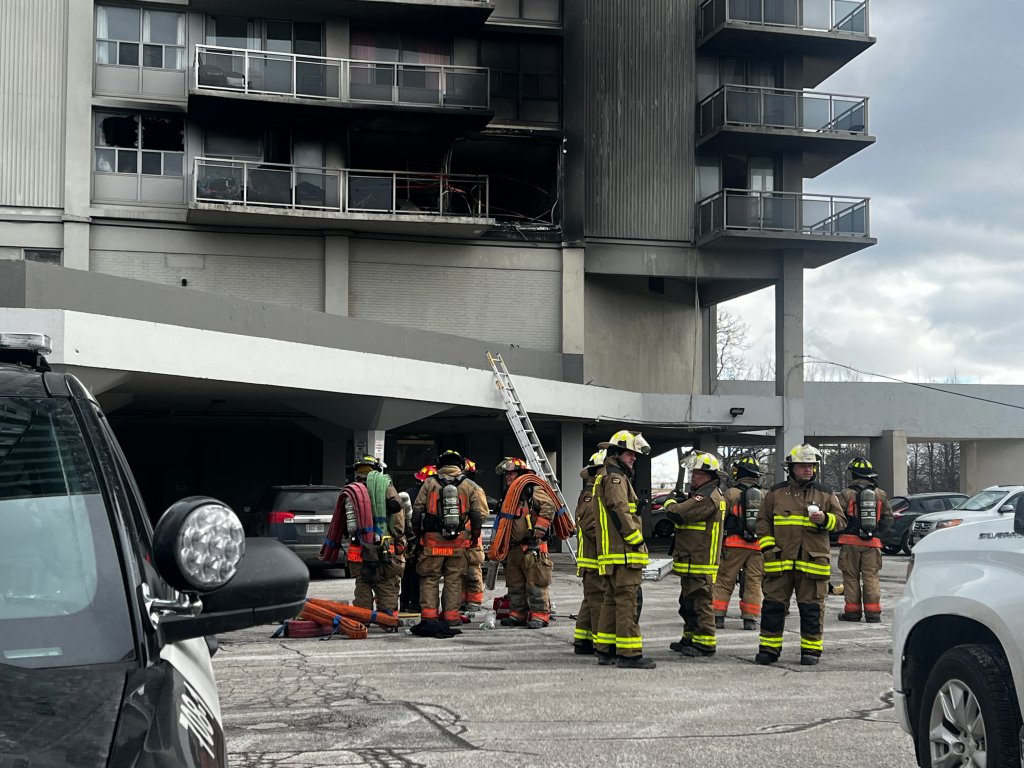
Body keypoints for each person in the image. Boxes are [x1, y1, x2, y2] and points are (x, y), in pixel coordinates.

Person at [755, 443, 846, 666]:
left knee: (811, 609)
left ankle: (811, 650)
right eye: (803, 465)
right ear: (792, 468)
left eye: (811, 466)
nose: (808, 469)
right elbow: (762, 522)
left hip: (812, 564)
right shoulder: (776, 493)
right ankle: (768, 649)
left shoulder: (826, 493)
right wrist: (768, 548)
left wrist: (825, 519)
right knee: (773, 607)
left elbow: (842, 522)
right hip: (779, 562)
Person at [592, 430, 656, 669]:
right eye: (630, 454)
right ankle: (629, 654)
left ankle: (606, 650)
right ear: (618, 453)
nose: (634, 458)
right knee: (628, 602)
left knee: (611, 601)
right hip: (625, 552)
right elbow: (619, 510)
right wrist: (636, 540)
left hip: (613, 553)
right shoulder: (616, 478)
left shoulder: (607, 475)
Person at [411, 450, 485, 637]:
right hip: (458, 543)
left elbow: (417, 510)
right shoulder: (469, 485)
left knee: (430, 579)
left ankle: (429, 617)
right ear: (459, 466)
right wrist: (474, 536)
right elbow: (477, 514)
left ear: (440, 465)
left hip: (432, 542)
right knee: (454, 580)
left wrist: (417, 533)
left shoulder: (429, 483)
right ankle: (451, 617)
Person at [663, 451, 726, 657]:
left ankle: (705, 643)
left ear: (709, 476)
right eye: (692, 473)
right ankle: (690, 637)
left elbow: (679, 513)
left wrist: (670, 503)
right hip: (692, 558)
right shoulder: (702, 494)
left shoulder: (707, 497)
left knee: (700, 602)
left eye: (697, 474)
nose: (693, 477)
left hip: (700, 560)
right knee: (688, 603)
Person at [496, 456, 556, 628]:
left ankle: (540, 615)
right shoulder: (510, 494)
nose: (508, 476)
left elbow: (548, 506)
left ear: (522, 473)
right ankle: (517, 614)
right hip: (514, 548)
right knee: (515, 584)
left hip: (533, 547)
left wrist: (540, 529)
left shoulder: (532, 489)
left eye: (511, 473)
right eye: (506, 474)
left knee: (536, 583)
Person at [347, 456, 405, 621]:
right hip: (383, 545)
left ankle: (362, 620)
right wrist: (399, 535)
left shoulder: (351, 491)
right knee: (386, 582)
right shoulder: (385, 486)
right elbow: (397, 511)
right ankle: (387, 620)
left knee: (363, 584)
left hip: (358, 548)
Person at [837, 456, 894, 623]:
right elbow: (888, 518)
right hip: (872, 544)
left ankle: (852, 613)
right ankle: (873, 614)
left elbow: (838, 517)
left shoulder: (846, 494)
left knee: (851, 578)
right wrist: (878, 534)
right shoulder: (880, 494)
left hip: (849, 543)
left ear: (854, 474)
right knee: (871, 578)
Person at [712, 455, 766, 631]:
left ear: (740, 473)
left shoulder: (730, 494)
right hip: (757, 546)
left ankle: (718, 617)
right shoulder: (765, 495)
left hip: (733, 545)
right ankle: (750, 619)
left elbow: (720, 519)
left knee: (724, 580)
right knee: (753, 582)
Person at [572, 450, 605, 654]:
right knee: (599, 602)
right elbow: (593, 527)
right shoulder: (591, 496)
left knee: (591, 600)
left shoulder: (592, 494)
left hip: (593, 560)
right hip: (594, 559)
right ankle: (599, 643)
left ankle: (583, 641)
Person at [400, 465, 435, 613]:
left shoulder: (408, 493)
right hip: (422, 538)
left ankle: (404, 603)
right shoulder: (429, 494)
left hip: (406, 538)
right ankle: (415, 603)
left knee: (406, 571)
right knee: (418, 572)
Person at [461, 457, 490, 612]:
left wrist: (466, 527)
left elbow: (482, 513)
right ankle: (460, 601)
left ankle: (474, 601)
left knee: (472, 572)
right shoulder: (455, 487)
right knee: (457, 573)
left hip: (471, 540)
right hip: (458, 540)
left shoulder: (475, 489)